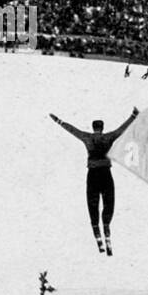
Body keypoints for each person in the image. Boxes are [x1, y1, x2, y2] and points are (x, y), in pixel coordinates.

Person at [50, 106, 139, 252]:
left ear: (93, 128)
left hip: (92, 173)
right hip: (105, 172)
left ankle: (96, 229)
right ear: (102, 128)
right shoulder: (108, 137)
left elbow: (73, 131)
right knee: (108, 200)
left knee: (92, 201)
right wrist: (133, 116)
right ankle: (106, 225)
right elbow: (121, 130)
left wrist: (59, 121)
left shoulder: (88, 138)